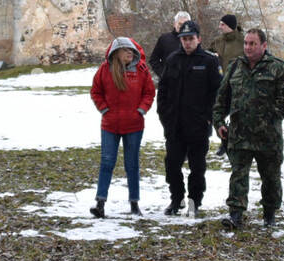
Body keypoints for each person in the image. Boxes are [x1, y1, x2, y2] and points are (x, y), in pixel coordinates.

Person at [211, 27, 284, 229]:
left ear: (263, 46)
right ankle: (236, 215)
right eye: (246, 43)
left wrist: (269, 119)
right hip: (239, 134)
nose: (247, 47)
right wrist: (219, 123)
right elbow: (221, 99)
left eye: (252, 44)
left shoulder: (278, 67)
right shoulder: (235, 67)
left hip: (268, 135)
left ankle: (269, 214)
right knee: (238, 175)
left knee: (271, 177)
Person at [156, 20, 222, 217]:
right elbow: (163, 91)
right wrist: (164, 116)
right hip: (175, 125)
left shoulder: (209, 61)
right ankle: (176, 200)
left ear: (198, 39)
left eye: (190, 38)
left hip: (198, 125)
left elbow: (217, 93)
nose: (187, 42)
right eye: (183, 39)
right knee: (172, 165)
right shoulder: (173, 59)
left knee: (197, 168)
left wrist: (209, 118)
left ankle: (194, 202)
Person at [89, 37, 154, 218]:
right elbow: (96, 91)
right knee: (107, 162)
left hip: (134, 125)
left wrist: (141, 110)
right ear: (116, 52)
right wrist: (104, 109)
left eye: (132, 50)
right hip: (110, 125)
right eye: (126, 50)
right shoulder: (105, 70)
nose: (130, 53)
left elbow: (149, 92)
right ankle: (100, 203)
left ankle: (134, 204)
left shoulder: (141, 70)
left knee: (132, 164)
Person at [149, 11, 191, 81]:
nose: (183, 27)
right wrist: (163, 74)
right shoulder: (164, 39)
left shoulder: (193, 40)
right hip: (169, 84)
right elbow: (153, 59)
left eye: (185, 24)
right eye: (180, 24)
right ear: (174, 24)